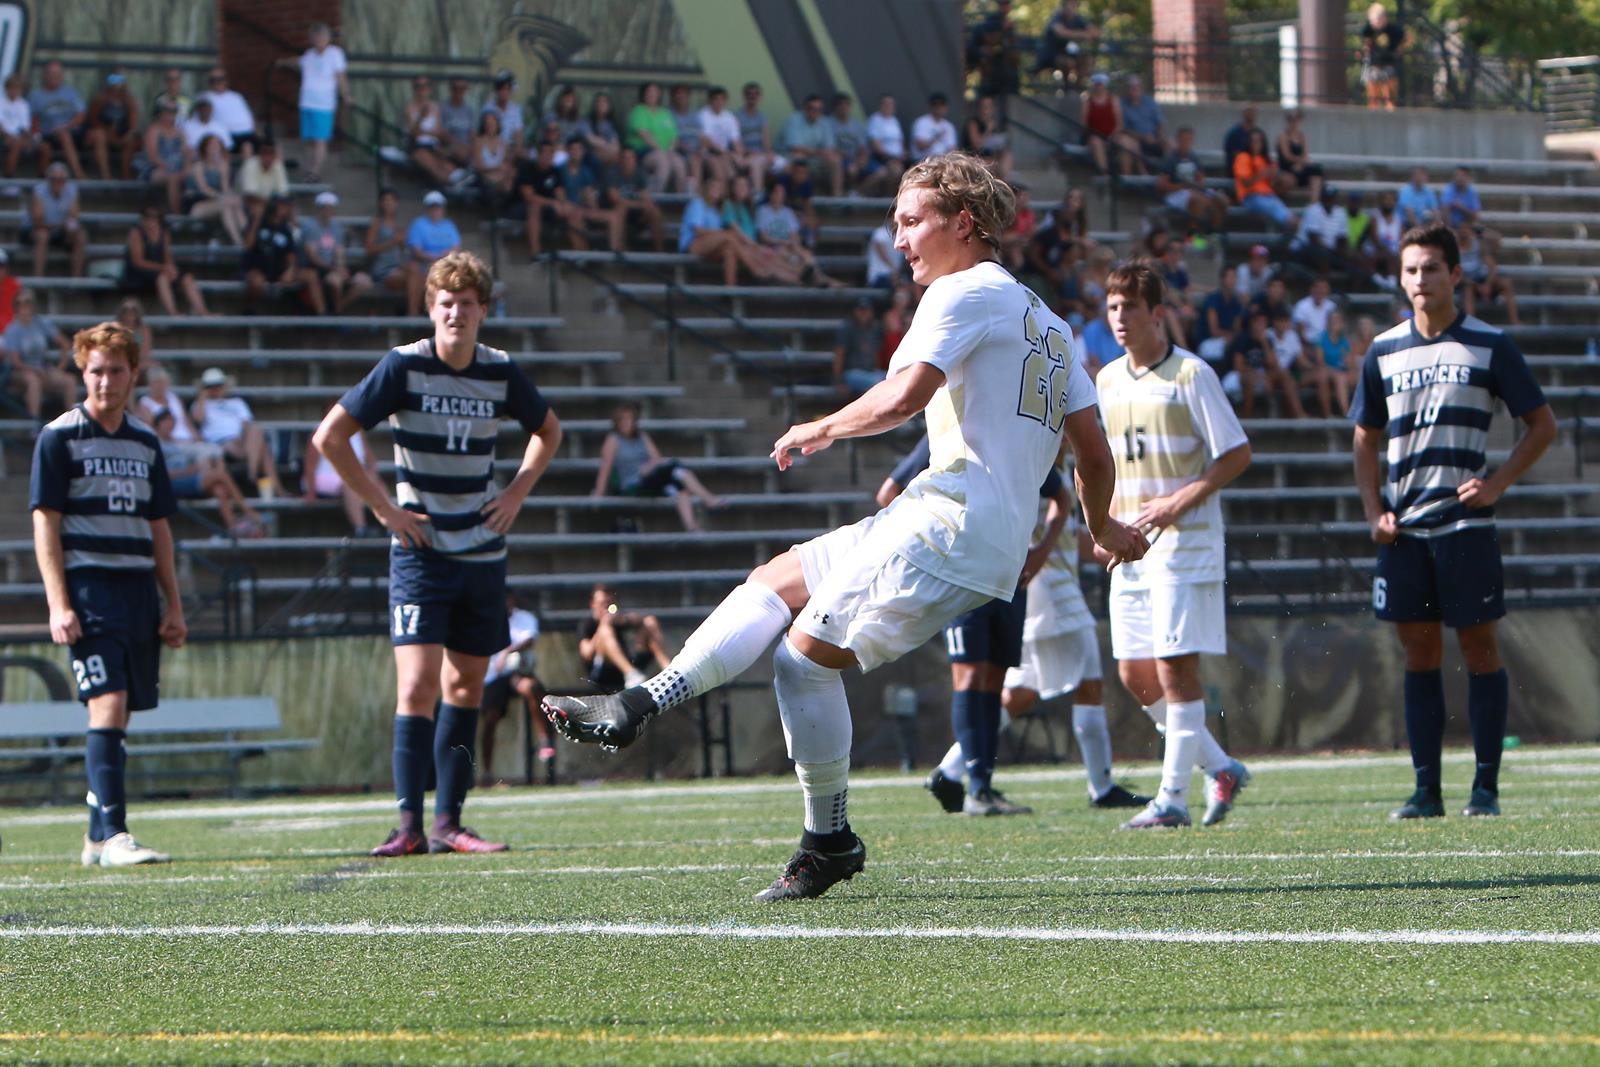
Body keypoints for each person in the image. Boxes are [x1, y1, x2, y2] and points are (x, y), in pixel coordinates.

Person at [544, 153, 1148, 901]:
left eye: (911, 221)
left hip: (952, 522)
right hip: (956, 519)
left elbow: (903, 397)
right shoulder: (1052, 324)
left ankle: (827, 838)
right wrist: (1102, 526)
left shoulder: (961, 290)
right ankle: (639, 704)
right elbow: (1093, 452)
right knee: (775, 581)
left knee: (802, 662)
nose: (898, 239)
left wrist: (821, 427)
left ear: (963, 223)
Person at [311, 251, 563, 856]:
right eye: (446, 303)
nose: (456, 313)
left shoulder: (499, 371)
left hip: (481, 552)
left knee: (467, 685)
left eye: (467, 304)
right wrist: (384, 509)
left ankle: (450, 822)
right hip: (420, 552)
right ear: (431, 308)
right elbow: (331, 436)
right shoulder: (403, 366)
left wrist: (516, 493)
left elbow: (549, 430)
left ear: (483, 311)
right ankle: (408, 826)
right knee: (418, 684)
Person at [1351, 223, 1554, 820]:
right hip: (1405, 531)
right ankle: (1426, 792)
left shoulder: (1491, 344)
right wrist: (1373, 511)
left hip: (1465, 525)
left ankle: (1485, 789)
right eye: (1411, 269)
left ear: (1456, 274)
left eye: (1432, 268)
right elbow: (1364, 436)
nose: (1421, 279)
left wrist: (1497, 484)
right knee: (1419, 653)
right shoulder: (1383, 350)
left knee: (1479, 647)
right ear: (1401, 278)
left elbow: (1542, 424)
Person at [1097, 260, 1254, 829]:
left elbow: (1236, 453)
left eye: (1130, 307)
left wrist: (1176, 503)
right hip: (1131, 545)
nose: (1119, 317)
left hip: (1185, 542)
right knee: (1134, 675)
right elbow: (1105, 463)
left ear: (1157, 313)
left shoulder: (1191, 374)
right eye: (1112, 307)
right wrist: (1105, 527)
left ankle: (1172, 800)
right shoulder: (1106, 379)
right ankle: (1221, 767)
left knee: (1173, 669)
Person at [30, 321, 184, 866]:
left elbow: (159, 527)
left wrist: (173, 603)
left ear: (133, 374)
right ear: (82, 371)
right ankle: (116, 834)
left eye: (116, 370)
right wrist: (58, 603)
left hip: (138, 589)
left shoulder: (145, 441)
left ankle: (96, 836)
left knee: (121, 712)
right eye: (96, 370)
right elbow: (46, 524)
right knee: (108, 702)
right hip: (89, 588)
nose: (105, 381)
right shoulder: (59, 437)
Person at [591, 401, 724, 531]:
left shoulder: (642, 436)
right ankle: (708, 499)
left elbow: (657, 459)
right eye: (623, 419)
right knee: (675, 466)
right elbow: (605, 469)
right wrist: (598, 493)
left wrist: (648, 466)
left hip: (650, 478)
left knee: (679, 488)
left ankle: (691, 526)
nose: (626, 422)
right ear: (617, 422)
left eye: (629, 419)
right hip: (634, 484)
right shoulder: (613, 440)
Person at [154, 408, 265, 538]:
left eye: (171, 422)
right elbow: (160, 474)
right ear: (158, 424)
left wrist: (199, 465)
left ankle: (232, 527)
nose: (169, 425)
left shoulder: (177, 442)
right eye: (166, 422)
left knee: (220, 490)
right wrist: (189, 471)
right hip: (173, 483)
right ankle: (248, 510)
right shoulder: (155, 444)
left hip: (189, 477)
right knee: (220, 475)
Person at [479, 594, 548, 785]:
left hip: (517, 673)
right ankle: (487, 772)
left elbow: (530, 639)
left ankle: (544, 739)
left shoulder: (524, 618)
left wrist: (507, 651)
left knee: (531, 688)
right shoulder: (487, 620)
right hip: (494, 677)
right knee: (490, 718)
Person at [191, 366, 283, 497]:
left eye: (218, 385)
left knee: (256, 431)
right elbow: (198, 420)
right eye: (210, 386)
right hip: (218, 444)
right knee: (263, 450)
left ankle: (252, 474)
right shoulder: (199, 405)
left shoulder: (237, 402)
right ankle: (272, 487)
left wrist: (246, 440)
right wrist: (202, 396)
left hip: (240, 441)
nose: (216, 388)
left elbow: (247, 425)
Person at [121, 203, 210, 317]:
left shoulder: (164, 233)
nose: (151, 220)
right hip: (139, 273)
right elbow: (137, 261)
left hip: (159, 269)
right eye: (148, 216)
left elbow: (167, 256)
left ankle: (203, 312)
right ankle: (173, 313)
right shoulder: (136, 233)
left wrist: (171, 268)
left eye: (155, 217)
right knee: (162, 278)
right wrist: (163, 268)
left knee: (187, 278)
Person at [578, 584, 671, 692]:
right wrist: (603, 625)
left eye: (609, 603)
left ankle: (668, 672)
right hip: (604, 673)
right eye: (602, 603)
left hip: (631, 664)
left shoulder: (618, 618)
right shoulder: (588, 624)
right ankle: (631, 674)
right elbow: (586, 653)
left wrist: (626, 620)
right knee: (605, 630)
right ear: (593, 604)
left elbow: (643, 621)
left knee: (650, 622)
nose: (606, 607)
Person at [242, 195, 321, 316]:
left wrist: (290, 270)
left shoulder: (285, 228)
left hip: (278, 269)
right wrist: (256, 221)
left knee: (311, 275)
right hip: (258, 268)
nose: (286, 209)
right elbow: (248, 245)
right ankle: (249, 309)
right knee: (256, 281)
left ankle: (322, 314)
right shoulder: (258, 223)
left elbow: (291, 254)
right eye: (283, 206)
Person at [2, 290, 74, 420]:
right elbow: (15, 361)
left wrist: (60, 367)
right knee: (33, 381)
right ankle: (34, 423)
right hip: (20, 372)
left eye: (27, 302)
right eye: (19, 303)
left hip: (42, 368)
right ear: (15, 307)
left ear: (33, 305)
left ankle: (72, 421)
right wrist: (35, 370)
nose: (23, 306)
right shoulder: (12, 329)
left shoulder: (41, 324)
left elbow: (65, 343)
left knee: (69, 380)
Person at [289, 22, 347, 180]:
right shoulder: (309, 55)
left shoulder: (335, 53)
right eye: (316, 36)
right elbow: (297, 62)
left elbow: (340, 76)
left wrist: (345, 95)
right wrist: (281, 62)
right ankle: (308, 171)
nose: (319, 40)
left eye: (322, 36)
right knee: (309, 140)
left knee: (320, 140)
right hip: (307, 103)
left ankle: (315, 172)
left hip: (324, 104)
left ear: (328, 38)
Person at [301, 190, 373, 313]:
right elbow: (313, 256)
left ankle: (338, 309)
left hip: (333, 267)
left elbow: (339, 251)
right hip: (318, 268)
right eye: (325, 208)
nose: (328, 211)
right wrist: (333, 269)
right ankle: (335, 311)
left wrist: (341, 267)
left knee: (365, 282)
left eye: (330, 208)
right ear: (319, 209)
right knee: (335, 282)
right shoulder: (310, 226)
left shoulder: (337, 227)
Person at [302, 416, 375, 534]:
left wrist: (371, 476)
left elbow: (370, 460)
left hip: (352, 476)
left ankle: (391, 527)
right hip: (326, 478)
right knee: (350, 483)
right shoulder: (320, 430)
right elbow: (310, 464)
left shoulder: (358, 432)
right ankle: (361, 528)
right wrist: (311, 491)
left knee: (375, 482)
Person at [514, 139, 586, 259]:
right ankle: (536, 254)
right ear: (538, 154)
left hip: (547, 207)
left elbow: (560, 193)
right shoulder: (527, 168)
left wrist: (563, 205)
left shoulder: (555, 172)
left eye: (550, 153)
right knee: (535, 208)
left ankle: (582, 254)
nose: (547, 156)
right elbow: (529, 196)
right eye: (544, 152)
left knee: (572, 210)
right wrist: (553, 203)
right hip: (520, 207)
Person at [1158, 126, 1227, 237]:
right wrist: (1181, 186)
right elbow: (1162, 185)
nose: (1186, 142)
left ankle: (1213, 234)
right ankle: (1192, 234)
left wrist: (1198, 183)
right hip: (1174, 194)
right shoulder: (1171, 159)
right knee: (1197, 199)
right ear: (1177, 140)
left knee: (1222, 200)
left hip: (1194, 191)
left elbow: (1201, 180)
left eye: (1189, 139)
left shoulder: (1194, 158)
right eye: (1183, 139)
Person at [183, 134, 247, 246]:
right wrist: (224, 198)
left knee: (230, 207)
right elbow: (204, 189)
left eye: (217, 145)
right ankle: (243, 240)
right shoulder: (198, 166)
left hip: (218, 203)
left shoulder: (223, 165)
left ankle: (241, 241)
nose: (215, 147)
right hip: (198, 204)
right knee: (229, 204)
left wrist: (230, 196)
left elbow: (225, 188)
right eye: (212, 145)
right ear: (205, 148)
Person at [29, 60, 87, 179]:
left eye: (57, 74)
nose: (54, 77)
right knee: (49, 144)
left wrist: (65, 126)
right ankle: (77, 175)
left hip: (73, 132)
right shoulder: (35, 96)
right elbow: (33, 120)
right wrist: (35, 138)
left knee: (65, 134)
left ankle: (84, 175)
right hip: (48, 135)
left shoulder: (71, 93)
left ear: (62, 76)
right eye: (51, 73)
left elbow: (81, 115)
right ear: (45, 75)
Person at [29, 163, 87, 278]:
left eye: (61, 180)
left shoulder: (72, 190)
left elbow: (73, 218)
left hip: (60, 231)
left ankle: (76, 280)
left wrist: (70, 230)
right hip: (39, 230)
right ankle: (38, 278)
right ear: (48, 180)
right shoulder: (39, 191)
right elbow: (38, 222)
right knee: (42, 235)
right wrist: (61, 225)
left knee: (80, 236)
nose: (58, 182)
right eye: (54, 179)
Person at [779, 93, 843, 198]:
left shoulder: (824, 122)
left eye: (819, 109)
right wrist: (820, 152)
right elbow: (795, 148)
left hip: (813, 157)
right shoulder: (794, 119)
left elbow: (830, 148)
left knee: (835, 159)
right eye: (811, 108)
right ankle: (797, 197)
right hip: (789, 156)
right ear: (805, 108)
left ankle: (837, 197)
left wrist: (825, 154)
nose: (815, 111)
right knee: (799, 157)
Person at [603, 146, 664, 252]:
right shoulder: (612, 172)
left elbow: (645, 197)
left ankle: (660, 252)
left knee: (654, 211)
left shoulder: (639, 173)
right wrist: (638, 205)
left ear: (635, 160)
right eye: (625, 157)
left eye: (631, 157)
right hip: (615, 211)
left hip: (634, 212)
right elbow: (614, 198)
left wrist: (646, 205)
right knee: (621, 208)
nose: (628, 161)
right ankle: (622, 252)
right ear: (620, 159)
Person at [365, 187, 417, 313]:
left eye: (391, 200)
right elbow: (369, 249)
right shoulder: (377, 223)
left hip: (398, 267)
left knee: (420, 274)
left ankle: (411, 311)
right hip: (383, 270)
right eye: (385, 200)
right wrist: (393, 241)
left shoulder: (400, 225)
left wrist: (402, 242)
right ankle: (412, 313)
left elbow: (404, 250)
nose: (388, 203)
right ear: (381, 204)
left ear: (396, 203)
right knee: (414, 276)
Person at [626, 81, 684, 194]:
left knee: (679, 163)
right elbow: (644, 134)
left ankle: (680, 198)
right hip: (644, 152)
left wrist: (671, 149)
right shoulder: (639, 110)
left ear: (659, 94)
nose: (652, 94)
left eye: (655, 91)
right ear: (644, 94)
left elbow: (674, 136)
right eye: (649, 91)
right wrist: (662, 150)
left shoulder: (665, 113)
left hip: (666, 152)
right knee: (663, 162)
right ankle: (655, 198)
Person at [1456, 223, 1519, 326]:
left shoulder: (1479, 245)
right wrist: (1476, 286)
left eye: (1466, 230)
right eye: (1461, 230)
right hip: (1467, 283)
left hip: (1483, 280)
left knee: (1506, 283)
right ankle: (1471, 326)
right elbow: (1456, 274)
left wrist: (1487, 284)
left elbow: (1492, 267)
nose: (1464, 233)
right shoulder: (1453, 249)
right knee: (1468, 290)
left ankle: (1515, 321)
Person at [83, 69, 140, 181]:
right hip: (103, 133)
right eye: (113, 79)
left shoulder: (129, 101)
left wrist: (127, 135)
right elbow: (92, 120)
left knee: (132, 139)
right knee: (99, 135)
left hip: (121, 135)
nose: (116, 84)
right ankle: (106, 176)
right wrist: (107, 131)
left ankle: (125, 175)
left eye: (119, 80)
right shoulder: (100, 99)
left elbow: (133, 124)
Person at [1080, 73, 1140, 176]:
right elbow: (1084, 124)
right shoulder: (1087, 102)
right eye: (1097, 84)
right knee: (1096, 142)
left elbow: (1119, 123)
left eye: (1101, 84)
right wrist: (1093, 135)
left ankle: (1126, 175)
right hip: (1095, 136)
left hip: (1112, 135)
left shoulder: (1113, 100)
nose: (1099, 86)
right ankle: (1104, 174)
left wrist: (1113, 136)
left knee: (1126, 143)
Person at [403, 75, 457, 187]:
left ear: (429, 88)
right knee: (435, 168)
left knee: (449, 167)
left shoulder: (435, 107)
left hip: (433, 144)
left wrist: (424, 132)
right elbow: (413, 133)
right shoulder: (409, 108)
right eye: (418, 86)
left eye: (425, 86)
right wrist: (421, 118)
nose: (422, 89)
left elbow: (438, 131)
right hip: (417, 146)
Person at [1233, 128, 1291, 229]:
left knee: (1283, 210)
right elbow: (1245, 183)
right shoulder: (1243, 157)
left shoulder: (1265, 159)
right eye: (1253, 141)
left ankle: (1295, 228)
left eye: (1259, 141)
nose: (1256, 144)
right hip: (1250, 197)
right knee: (1281, 213)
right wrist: (1262, 174)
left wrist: (1278, 179)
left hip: (1269, 196)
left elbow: (1273, 186)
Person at [141, 101, 190, 214]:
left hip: (178, 167)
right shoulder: (154, 130)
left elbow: (186, 152)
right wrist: (169, 166)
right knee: (173, 177)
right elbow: (153, 156)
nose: (171, 115)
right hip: (157, 169)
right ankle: (176, 214)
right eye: (168, 112)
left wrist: (186, 166)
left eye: (173, 112)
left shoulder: (180, 131)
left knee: (193, 173)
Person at [1036, 0, 1098, 88]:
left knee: (1087, 61)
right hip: (1050, 55)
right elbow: (1062, 32)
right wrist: (1083, 34)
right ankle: (1067, 88)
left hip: (1069, 53)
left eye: (1074, 4)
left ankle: (1075, 88)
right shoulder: (1057, 17)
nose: (1071, 7)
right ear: (1063, 5)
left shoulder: (1078, 18)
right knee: (1068, 63)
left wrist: (1086, 33)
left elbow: (1095, 33)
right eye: (1069, 4)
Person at [200, 68, 257, 156]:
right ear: (209, 82)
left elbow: (249, 116)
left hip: (246, 134)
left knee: (250, 146)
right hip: (224, 135)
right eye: (213, 80)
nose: (217, 82)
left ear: (226, 80)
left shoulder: (237, 97)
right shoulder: (205, 97)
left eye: (220, 79)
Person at [1361, 3, 1406, 111]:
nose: (1375, 23)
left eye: (1377, 19)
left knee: (1390, 81)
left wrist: (1398, 50)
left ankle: (1390, 106)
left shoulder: (1393, 30)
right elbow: (1365, 42)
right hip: (1374, 63)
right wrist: (1366, 49)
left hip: (1389, 62)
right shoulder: (1368, 29)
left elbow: (1405, 39)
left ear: (1384, 18)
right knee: (1372, 81)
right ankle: (1373, 107)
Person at [735, 82, 777, 192]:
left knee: (785, 165)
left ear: (760, 97)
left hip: (761, 154)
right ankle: (758, 194)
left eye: (756, 94)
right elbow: (737, 142)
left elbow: (766, 141)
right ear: (744, 97)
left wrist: (769, 153)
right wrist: (749, 152)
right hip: (745, 156)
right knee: (756, 164)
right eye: (750, 94)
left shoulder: (762, 117)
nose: (753, 96)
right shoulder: (737, 116)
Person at [1275, 110, 1323, 203]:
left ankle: (1314, 202)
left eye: (1297, 120)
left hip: (1299, 167)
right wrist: (1300, 161)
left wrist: (1300, 164)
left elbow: (1305, 155)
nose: (1294, 123)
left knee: (1317, 171)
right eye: (1292, 120)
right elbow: (1287, 156)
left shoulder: (1301, 136)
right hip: (1287, 168)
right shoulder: (1283, 136)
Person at [962, 93, 1012, 181]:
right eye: (984, 107)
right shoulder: (973, 123)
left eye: (989, 107)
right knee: (997, 165)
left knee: (1007, 156)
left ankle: (1004, 181)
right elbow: (977, 144)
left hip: (991, 156)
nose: (986, 110)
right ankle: (1002, 182)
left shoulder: (995, 124)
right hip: (974, 157)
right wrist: (987, 131)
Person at [864, 94, 906, 196]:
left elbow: (900, 141)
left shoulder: (894, 121)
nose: (888, 107)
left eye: (891, 104)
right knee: (896, 171)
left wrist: (902, 154)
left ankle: (890, 197)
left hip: (897, 158)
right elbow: (875, 144)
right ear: (880, 106)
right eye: (886, 104)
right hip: (881, 157)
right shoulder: (875, 120)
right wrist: (891, 157)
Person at [1317, 308, 1356, 414]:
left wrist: (1350, 368)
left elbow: (1350, 362)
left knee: (1347, 377)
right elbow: (1320, 362)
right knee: (1334, 377)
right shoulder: (1321, 338)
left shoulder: (1345, 340)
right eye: (1333, 320)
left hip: (1341, 371)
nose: (1336, 323)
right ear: (1328, 322)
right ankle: (1336, 413)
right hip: (1326, 370)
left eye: (1338, 320)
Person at [1119, 75, 1167, 162]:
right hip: (1135, 138)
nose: (1134, 90)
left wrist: (1160, 135)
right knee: (1130, 145)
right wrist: (1142, 137)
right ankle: (1143, 170)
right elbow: (1124, 128)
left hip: (1154, 137)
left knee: (1170, 143)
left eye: (1137, 87)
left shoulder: (1150, 102)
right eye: (1131, 88)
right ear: (1127, 90)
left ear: (1141, 89)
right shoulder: (1122, 104)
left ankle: (1167, 169)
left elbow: (1160, 122)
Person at [236, 138, 290, 208]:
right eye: (265, 153)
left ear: (275, 155)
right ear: (260, 153)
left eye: (271, 153)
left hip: (269, 204)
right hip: (244, 204)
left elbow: (283, 192)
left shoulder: (278, 165)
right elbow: (250, 195)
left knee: (285, 207)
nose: (268, 157)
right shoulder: (250, 164)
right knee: (257, 206)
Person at [480, 71, 525, 154]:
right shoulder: (487, 108)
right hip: (492, 150)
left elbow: (518, 134)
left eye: (507, 89)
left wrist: (517, 149)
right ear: (497, 91)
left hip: (510, 151)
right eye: (502, 89)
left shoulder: (516, 110)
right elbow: (484, 134)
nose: (504, 92)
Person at [577, 89, 621, 167]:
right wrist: (607, 146)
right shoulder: (585, 121)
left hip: (608, 154)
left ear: (609, 106)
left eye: (604, 101)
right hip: (588, 155)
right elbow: (591, 140)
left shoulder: (612, 124)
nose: (601, 104)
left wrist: (608, 148)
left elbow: (616, 145)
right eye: (599, 101)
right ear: (594, 105)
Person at [439, 77, 477, 166]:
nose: (458, 91)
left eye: (462, 88)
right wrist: (459, 146)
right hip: (450, 147)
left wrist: (471, 147)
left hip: (467, 148)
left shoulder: (470, 110)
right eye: (455, 88)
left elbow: (473, 134)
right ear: (450, 90)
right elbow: (442, 134)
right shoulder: (443, 109)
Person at [910, 93, 958, 163]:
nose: (938, 107)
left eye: (942, 104)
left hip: (943, 162)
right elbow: (920, 146)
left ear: (946, 107)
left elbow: (952, 149)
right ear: (930, 106)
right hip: (923, 162)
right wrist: (937, 137)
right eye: (935, 104)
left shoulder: (949, 126)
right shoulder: (921, 122)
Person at [2, 75, 33, 177]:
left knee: (43, 147)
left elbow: (25, 127)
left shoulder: (24, 105)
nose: (14, 91)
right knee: (16, 144)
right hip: (3, 136)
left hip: (18, 137)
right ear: (6, 88)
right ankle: (9, 176)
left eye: (17, 88)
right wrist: (8, 136)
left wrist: (27, 138)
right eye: (12, 87)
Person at [1220, 103, 1258, 173]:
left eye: (1253, 111)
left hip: (1253, 171)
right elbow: (1230, 151)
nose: (1251, 114)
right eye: (1248, 111)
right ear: (1243, 113)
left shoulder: (1258, 133)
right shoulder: (1234, 133)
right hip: (1236, 171)